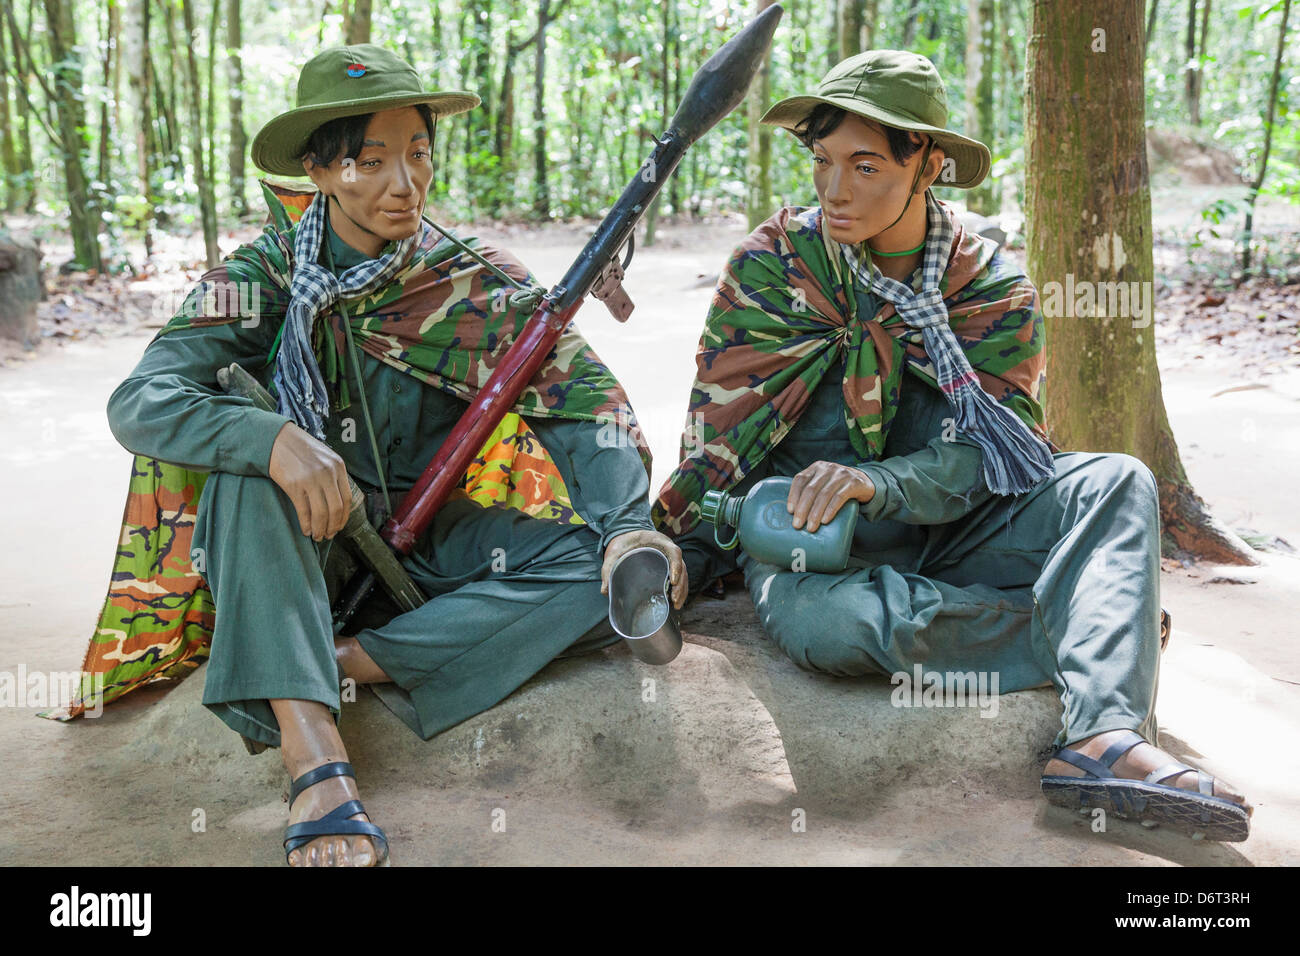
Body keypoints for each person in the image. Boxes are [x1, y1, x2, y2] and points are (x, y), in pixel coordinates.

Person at [105, 44, 686, 867]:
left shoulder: (471, 277)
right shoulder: (260, 275)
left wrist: (627, 528)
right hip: (292, 544)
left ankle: (338, 662)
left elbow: (586, 406)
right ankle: (314, 756)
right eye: (370, 162)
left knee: (600, 569)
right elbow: (141, 399)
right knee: (245, 473)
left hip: (434, 545)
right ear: (319, 169)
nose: (404, 183)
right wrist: (271, 440)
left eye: (418, 154)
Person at [652, 50, 1251, 841]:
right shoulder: (776, 266)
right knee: (829, 629)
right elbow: (721, 432)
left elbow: (992, 455)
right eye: (824, 161)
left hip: (961, 528)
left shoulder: (989, 286)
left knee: (1116, 480)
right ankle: (1099, 633)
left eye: (866, 165)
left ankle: (1103, 740)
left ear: (928, 164)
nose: (835, 189)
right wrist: (686, 547)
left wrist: (879, 484)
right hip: (819, 555)